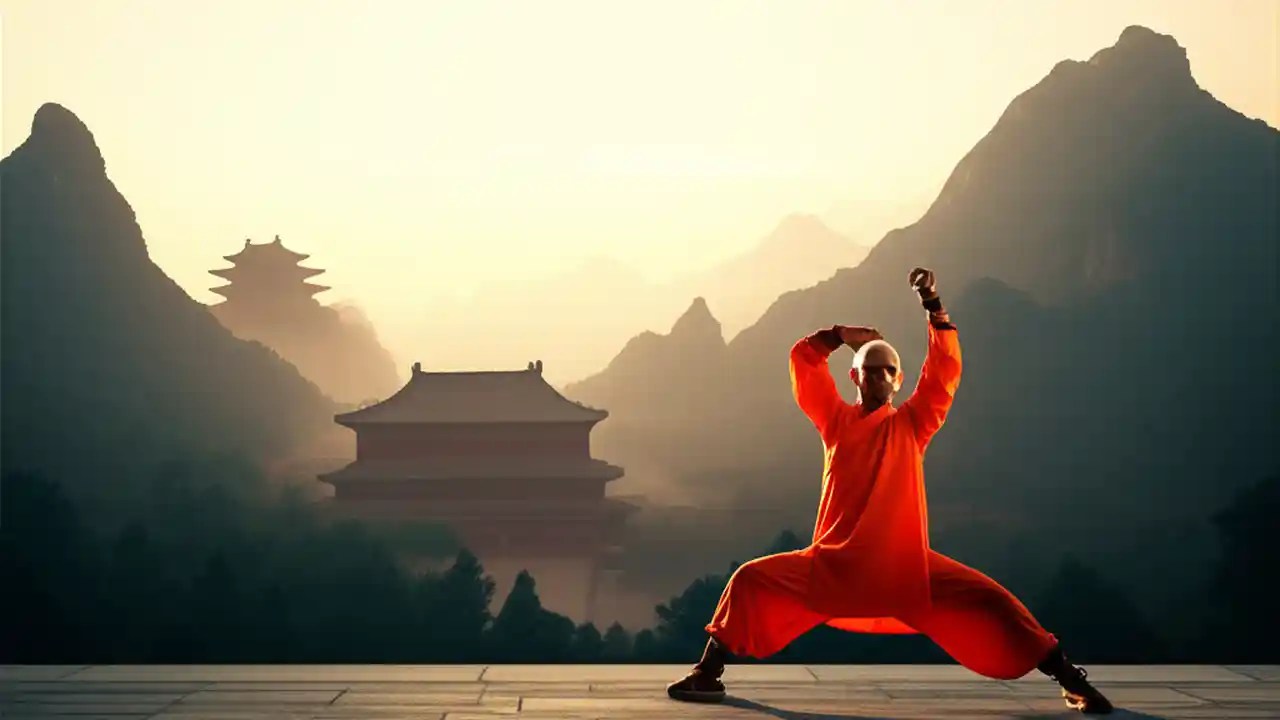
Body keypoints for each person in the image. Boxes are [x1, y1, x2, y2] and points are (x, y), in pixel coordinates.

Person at [665, 267, 1113, 715]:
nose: (879, 378)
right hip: (834, 564)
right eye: (870, 371)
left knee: (996, 604)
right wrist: (839, 334)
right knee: (748, 581)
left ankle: (1072, 680)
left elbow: (942, 374)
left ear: (899, 381)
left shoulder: (913, 424)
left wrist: (933, 304)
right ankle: (708, 673)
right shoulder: (834, 422)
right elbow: (804, 362)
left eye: (888, 372)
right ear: (855, 379)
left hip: (906, 567)